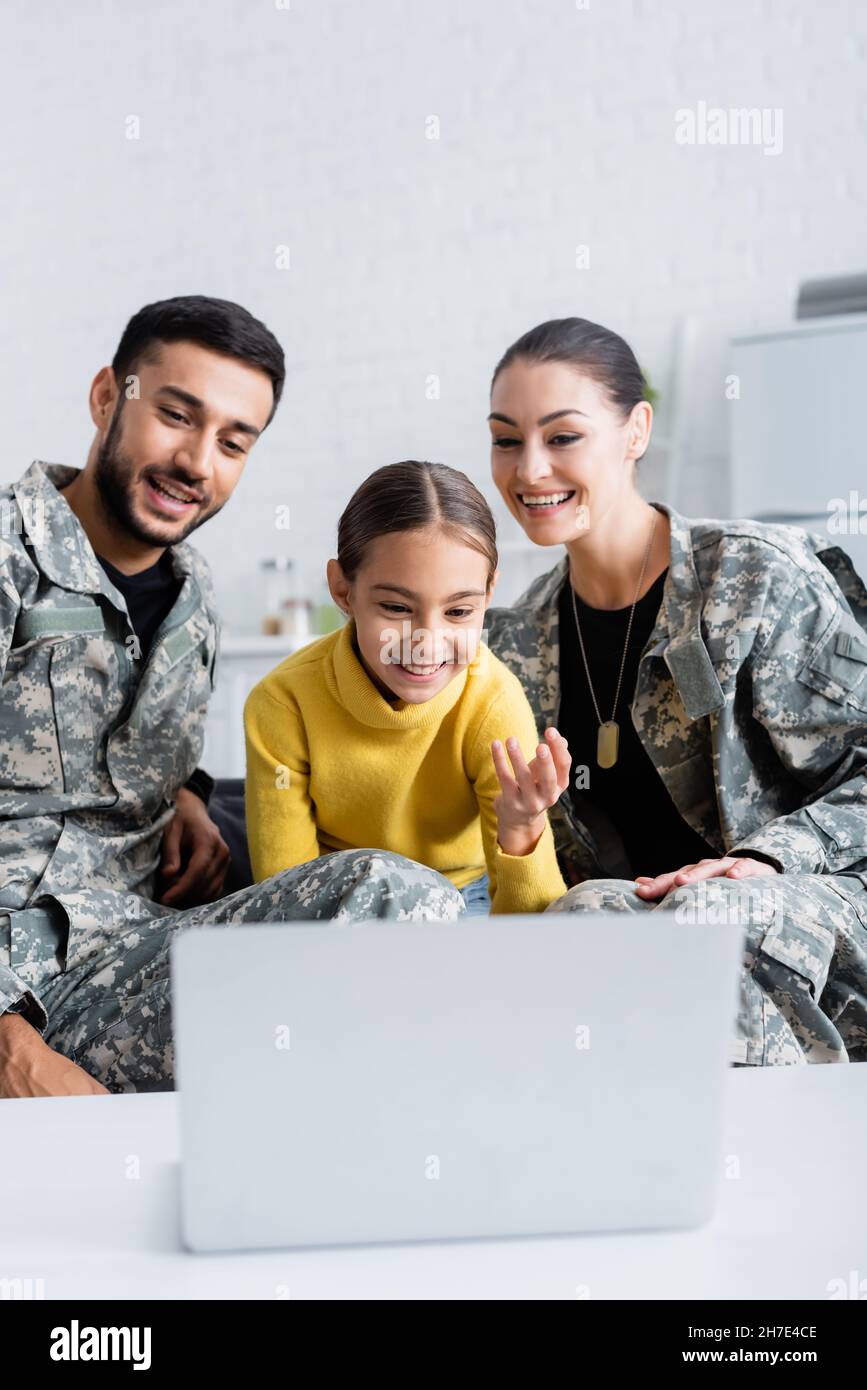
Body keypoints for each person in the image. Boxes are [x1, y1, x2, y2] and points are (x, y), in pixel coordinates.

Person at [0, 296, 466, 1098]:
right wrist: (7, 1045)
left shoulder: (196, 598)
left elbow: (144, 752)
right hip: (21, 988)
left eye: (232, 442)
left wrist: (185, 796)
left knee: (397, 897)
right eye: (177, 416)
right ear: (108, 398)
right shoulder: (11, 557)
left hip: (140, 965)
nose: (196, 462)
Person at [484, 316, 867, 1064]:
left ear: (634, 432)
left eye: (562, 437)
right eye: (505, 439)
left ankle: (762, 1166)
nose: (528, 471)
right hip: (648, 922)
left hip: (811, 897)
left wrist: (766, 858)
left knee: (711, 913)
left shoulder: (754, 578)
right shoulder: (515, 642)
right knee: (581, 918)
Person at [244, 461, 570, 915]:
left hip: (465, 897)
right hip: (341, 902)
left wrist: (522, 829)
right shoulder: (283, 704)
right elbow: (284, 900)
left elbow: (528, 928)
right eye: (396, 607)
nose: (426, 641)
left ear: (489, 592)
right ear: (343, 590)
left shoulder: (493, 700)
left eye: (457, 612)